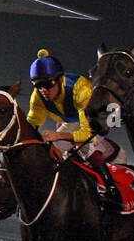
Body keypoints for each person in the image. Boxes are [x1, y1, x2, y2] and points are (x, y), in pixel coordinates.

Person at [26, 49, 126, 208]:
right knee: (46, 149)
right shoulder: (37, 96)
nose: (43, 90)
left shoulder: (80, 90)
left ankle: (112, 189)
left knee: (84, 144)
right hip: (71, 119)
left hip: (99, 117)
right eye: (38, 85)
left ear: (59, 79)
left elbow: (87, 134)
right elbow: (31, 126)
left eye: (48, 84)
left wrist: (57, 137)